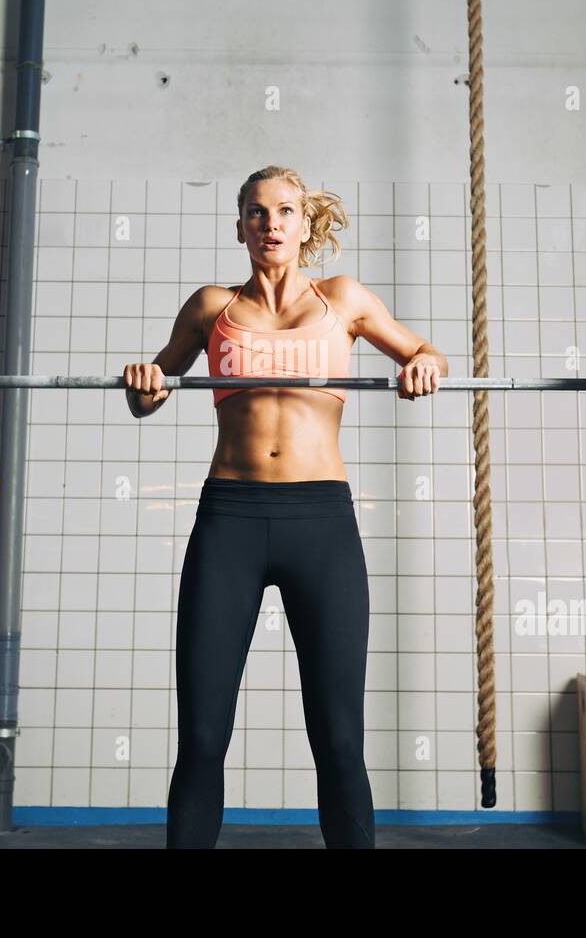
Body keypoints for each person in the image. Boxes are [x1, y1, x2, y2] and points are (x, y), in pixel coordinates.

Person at [124, 165, 447, 849]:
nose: (271, 224)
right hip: (229, 522)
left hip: (321, 524)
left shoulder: (344, 300)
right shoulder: (211, 307)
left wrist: (423, 366)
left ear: (304, 225)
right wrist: (146, 379)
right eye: (256, 213)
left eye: (284, 212)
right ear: (240, 226)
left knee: (338, 736)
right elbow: (152, 393)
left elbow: (425, 351)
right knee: (203, 736)